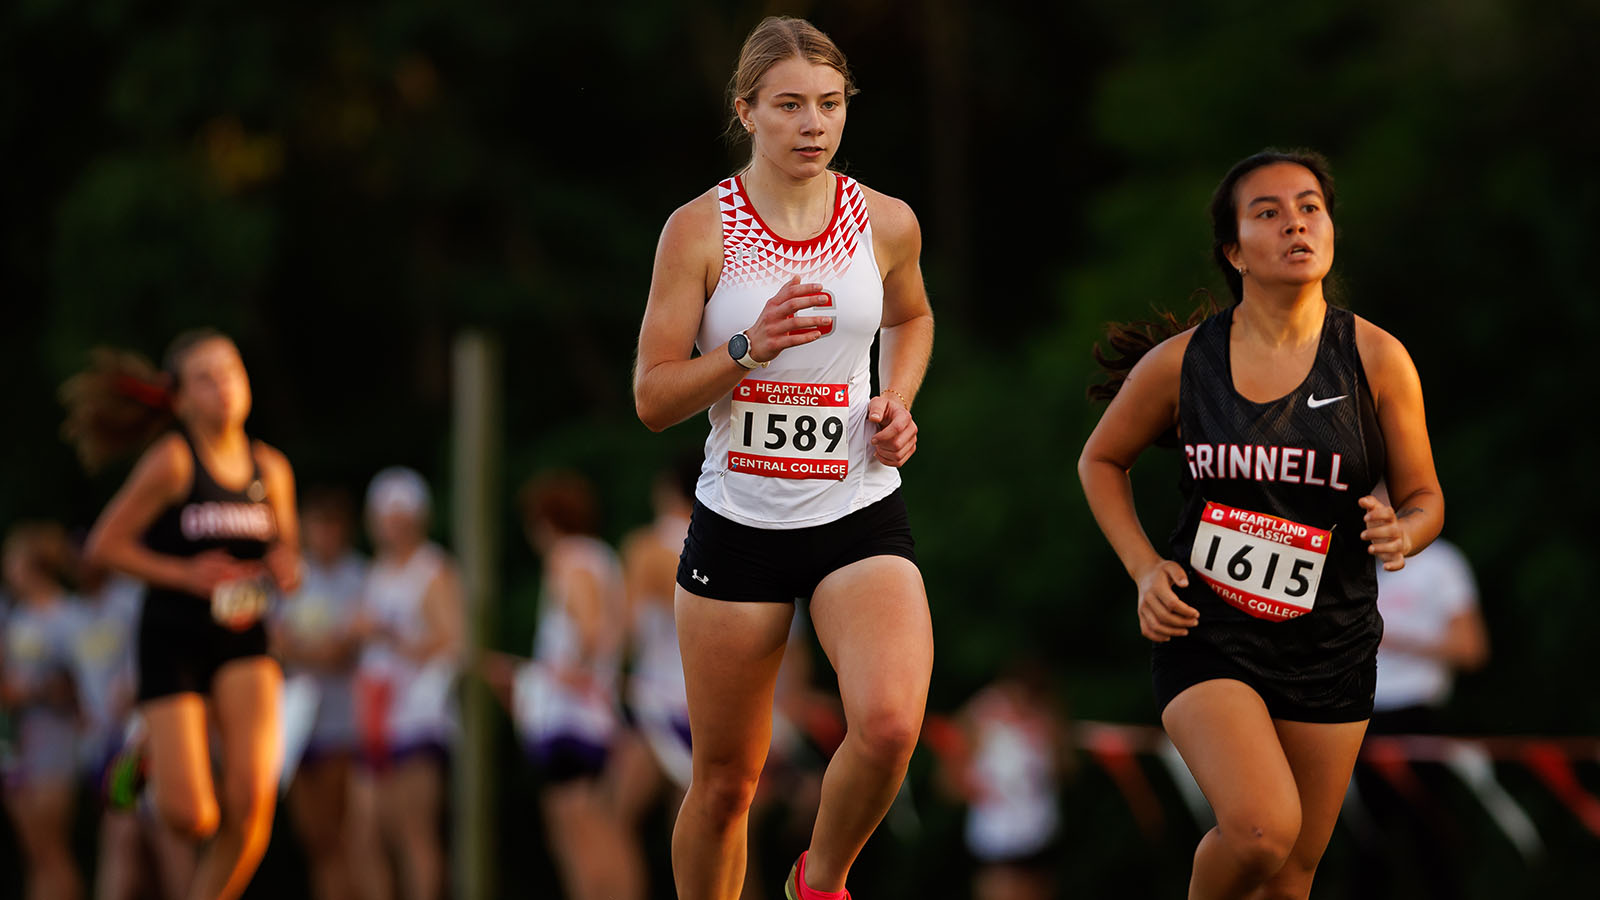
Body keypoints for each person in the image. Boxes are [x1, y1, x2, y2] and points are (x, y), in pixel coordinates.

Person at [1077, 149, 1444, 900]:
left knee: (1290, 875)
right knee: (1259, 831)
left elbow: (1426, 497)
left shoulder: (1377, 359)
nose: (1295, 224)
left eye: (1309, 207)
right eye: (1268, 213)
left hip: (1331, 643)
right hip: (1208, 633)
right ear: (1234, 250)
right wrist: (1146, 567)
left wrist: (1403, 532)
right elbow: (1100, 461)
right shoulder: (1184, 365)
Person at [631, 16, 935, 900]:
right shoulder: (698, 231)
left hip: (857, 508)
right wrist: (744, 352)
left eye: (830, 105)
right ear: (747, 112)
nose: (813, 125)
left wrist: (898, 401)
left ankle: (821, 882)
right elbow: (651, 398)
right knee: (727, 784)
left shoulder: (885, 221)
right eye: (790, 106)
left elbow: (911, 318)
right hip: (738, 525)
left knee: (885, 726)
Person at [68, 329, 299, 900]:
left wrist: (285, 569)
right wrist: (186, 575)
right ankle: (145, 745)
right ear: (180, 399)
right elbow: (103, 546)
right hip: (173, 638)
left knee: (252, 811)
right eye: (205, 376)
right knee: (191, 818)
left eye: (231, 371)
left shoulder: (271, 470)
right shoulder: (172, 463)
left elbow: (286, 552)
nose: (223, 385)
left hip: (244, 638)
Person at [508, 470, 643, 900]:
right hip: (596, 714)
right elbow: (621, 630)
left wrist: (574, 666)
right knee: (601, 827)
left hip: (567, 716)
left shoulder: (567, 559)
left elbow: (587, 628)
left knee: (575, 834)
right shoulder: (604, 558)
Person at [1347, 530, 1488, 899]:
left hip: (1418, 718)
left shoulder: (1442, 563)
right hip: (1361, 720)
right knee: (1367, 846)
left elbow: (1471, 648)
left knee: (1431, 844)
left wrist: (1392, 636)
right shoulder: (1362, 567)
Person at [348, 466, 461, 900]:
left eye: (400, 519)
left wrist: (391, 636)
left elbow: (454, 643)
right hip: (376, 716)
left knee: (413, 833)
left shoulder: (433, 571)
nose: (392, 528)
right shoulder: (378, 570)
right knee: (366, 836)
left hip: (415, 717)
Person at [270, 486, 367, 900]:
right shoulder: (291, 577)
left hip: (341, 720)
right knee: (314, 837)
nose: (324, 534)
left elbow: (345, 649)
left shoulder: (359, 576)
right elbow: (273, 640)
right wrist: (318, 649)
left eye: (332, 526)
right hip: (295, 719)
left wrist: (306, 649)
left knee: (342, 833)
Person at [1, 522, 87, 900]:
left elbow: (82, 683)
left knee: (52, 849)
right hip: (16, 745)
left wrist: (35, 690)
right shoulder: (15, 619)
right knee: (35, 853)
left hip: (56, 739)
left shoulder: (68, 616)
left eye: (13, 563)